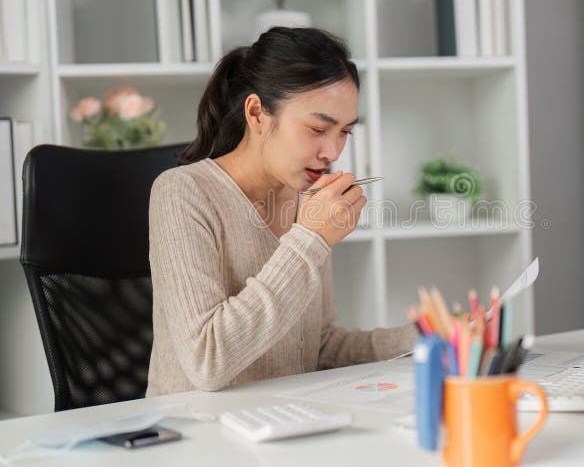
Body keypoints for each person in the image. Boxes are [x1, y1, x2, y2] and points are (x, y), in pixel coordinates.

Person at [146, 27, 416, 396]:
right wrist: (311, 238)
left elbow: (313, 345)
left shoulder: (305, 198)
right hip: (197, 436)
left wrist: (421, 339)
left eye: (344, 133)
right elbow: (206, 360)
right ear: (257, 113)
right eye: (318, 128)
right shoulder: (182, 192)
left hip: (282, 422)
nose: (332, 152)